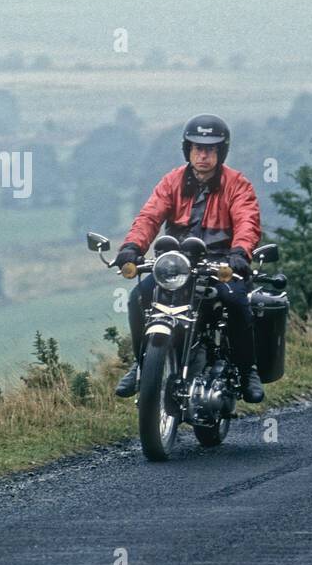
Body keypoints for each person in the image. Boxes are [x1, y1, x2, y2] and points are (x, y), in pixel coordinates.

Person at [112, 113, 265, 403]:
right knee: (138, 299)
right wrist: (132, 247)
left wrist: (240, 252)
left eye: (210, 149)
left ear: (221, 152)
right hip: (176, 266)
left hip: (221, 264)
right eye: (197, 148)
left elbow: (247, 221)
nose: (203, 155)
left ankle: (247, 370)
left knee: (235, 302)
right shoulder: (172, 181)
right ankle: (143, 363)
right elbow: (149, 216)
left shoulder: (238, 185)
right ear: (188, 151)